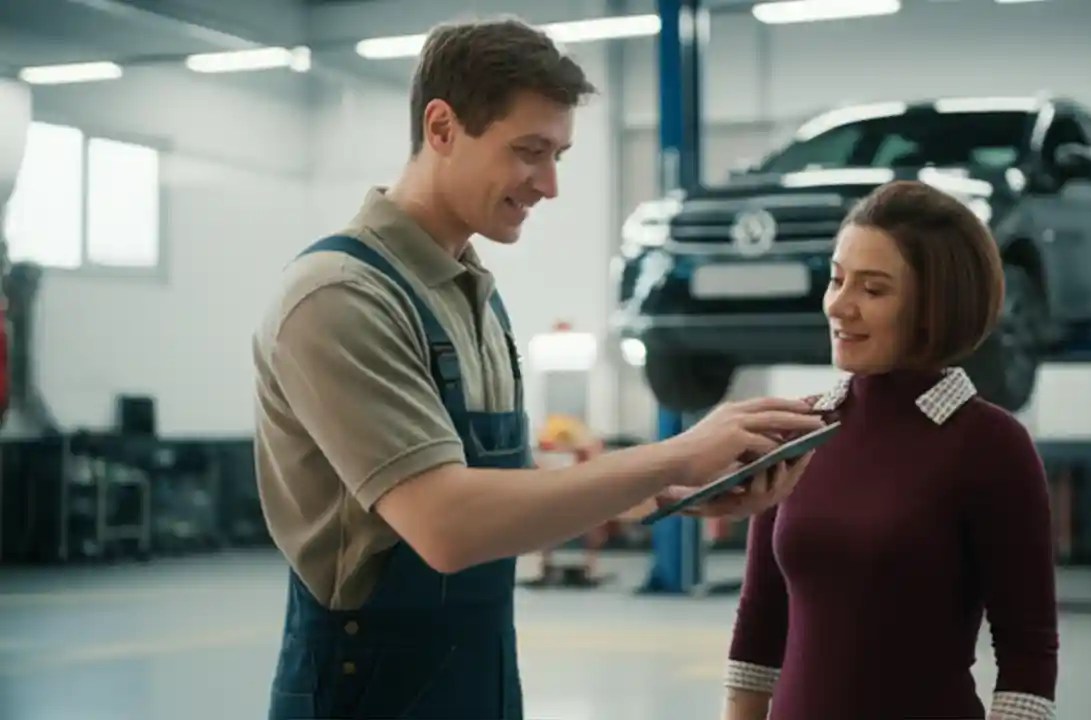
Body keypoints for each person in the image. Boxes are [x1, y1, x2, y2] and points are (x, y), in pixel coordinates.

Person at [251, 17, 823, 720]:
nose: (549, 184)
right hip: (365, 690)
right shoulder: (339, 297)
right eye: (529, 151)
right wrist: (667, 454)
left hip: (479, 680)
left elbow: (510, 497)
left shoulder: (474, 296)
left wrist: (679, 486)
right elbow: (447, 524)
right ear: (442, 128)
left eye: (559, 154)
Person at [721, 180, 1060, 720]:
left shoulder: (990, 446)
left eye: (872, 290)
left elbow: (1028, 651)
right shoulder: (797, 429)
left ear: (933, 307)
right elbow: (760, 622)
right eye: (837, 279)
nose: (839, 304)